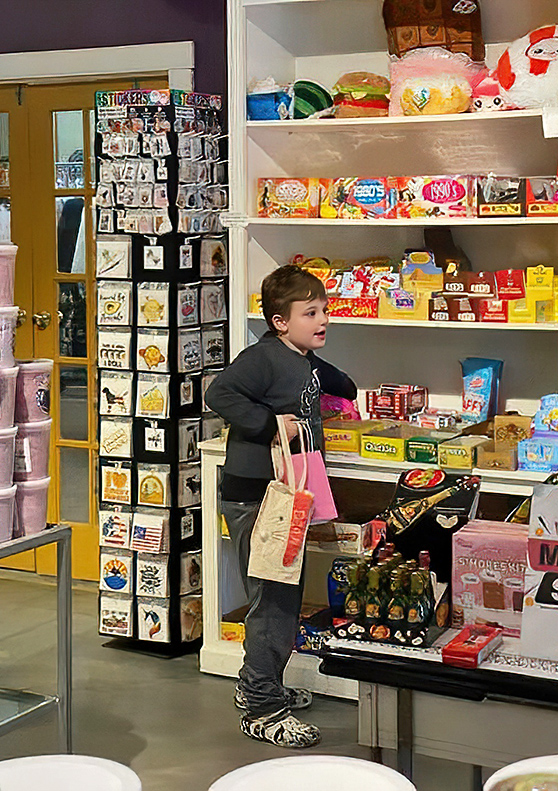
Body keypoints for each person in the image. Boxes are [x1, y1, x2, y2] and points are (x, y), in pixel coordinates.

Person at [205, 264, 357, 748]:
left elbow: (344, 387)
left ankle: (263, 684)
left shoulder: (298, 357)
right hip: (258, 497)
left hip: (288, 493)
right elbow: (219, 392)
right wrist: (271, 424)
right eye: (310, 312)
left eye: (325, 310)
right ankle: (261, 705)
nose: (323, 319)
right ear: (279, 321)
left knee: (283, 594)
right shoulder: (263, 358)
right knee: (273, 598)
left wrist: (321, 368)